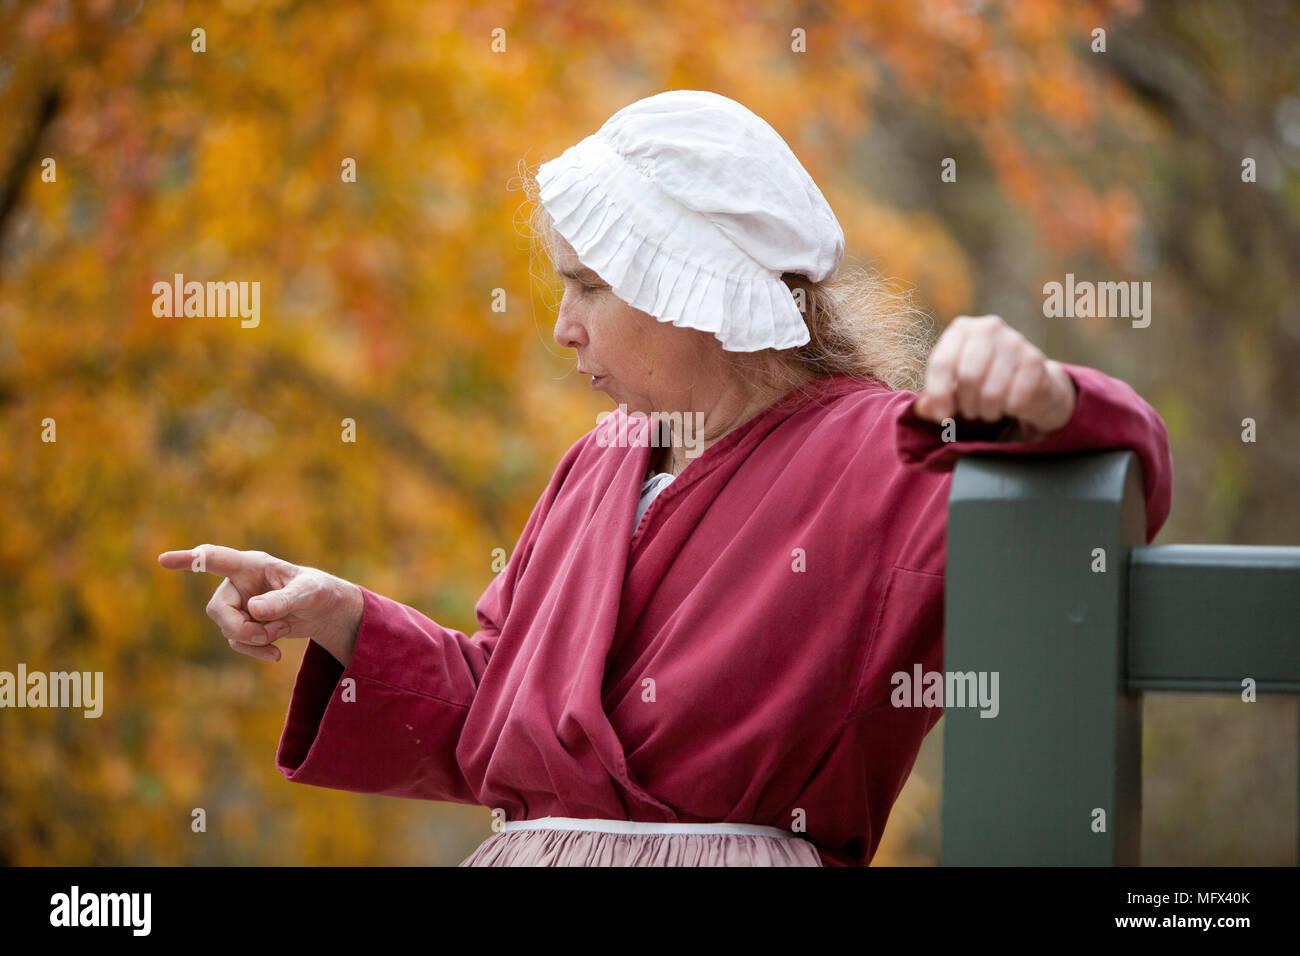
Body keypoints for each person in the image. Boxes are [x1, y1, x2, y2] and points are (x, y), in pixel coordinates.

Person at [158, 90, 1173, 866]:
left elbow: (1109, 469)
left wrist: (1038, 393)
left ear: (695, 284)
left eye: (590, 286)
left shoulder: (882, 458)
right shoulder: (596, 461)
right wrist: (344, 619)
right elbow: (497, 715)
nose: (562, 327)